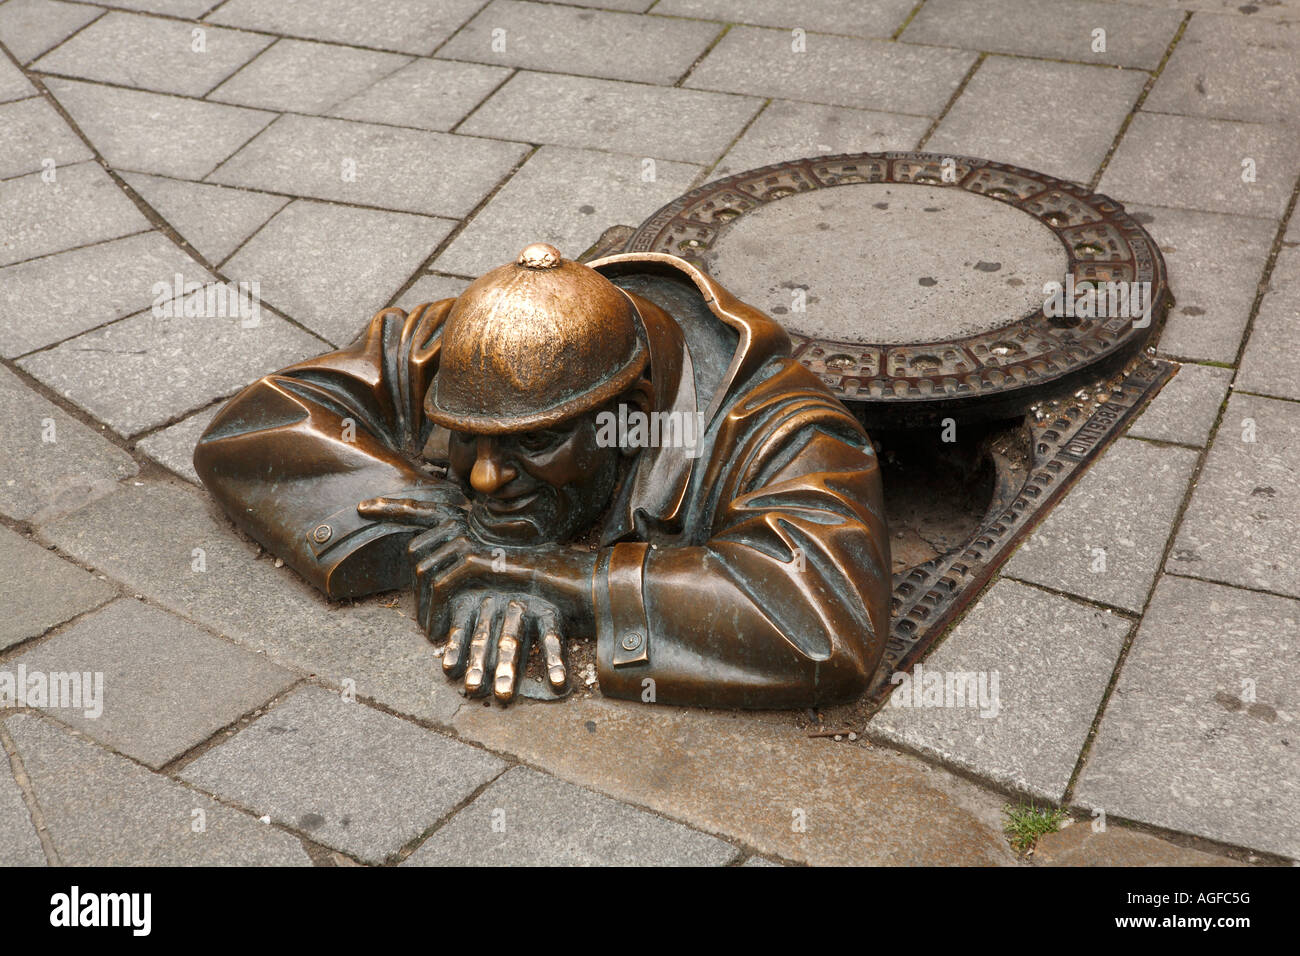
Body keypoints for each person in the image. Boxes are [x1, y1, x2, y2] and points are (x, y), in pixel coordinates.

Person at [195, 243, 890, 708]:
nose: (488, 479)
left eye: (537, 443)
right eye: (467, 441)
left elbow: (825, 621)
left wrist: (562, 579)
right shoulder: (476, 345)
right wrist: (433, 528)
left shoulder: (785, 430)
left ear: (633, 416)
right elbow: (257, 425)